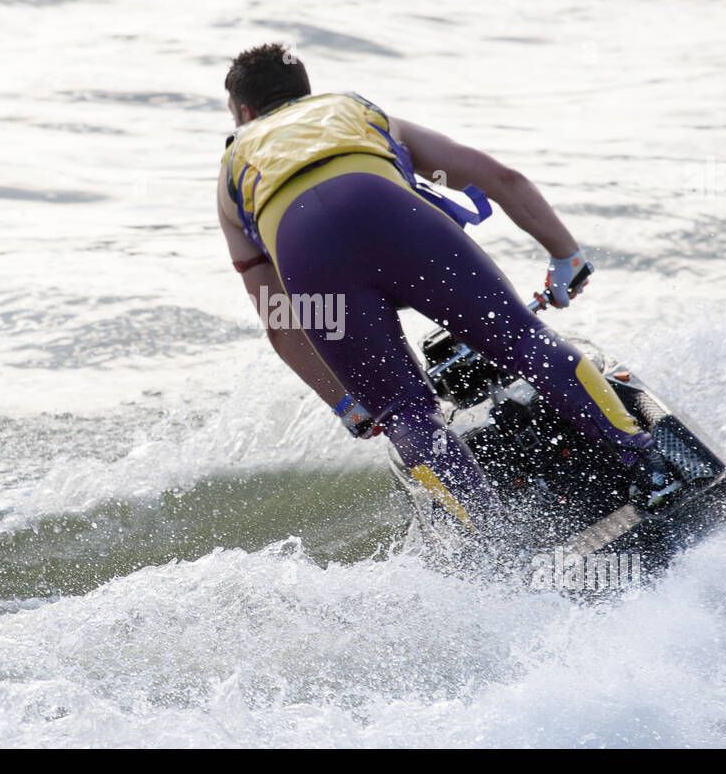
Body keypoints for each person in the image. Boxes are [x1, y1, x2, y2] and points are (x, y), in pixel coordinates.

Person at [215, 43, 674, 540]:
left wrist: (348, 405)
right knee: (523, 340)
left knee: (405, 413)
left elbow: (279, 322)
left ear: (245, 113)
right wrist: (567, 257)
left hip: (308, 251)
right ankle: (648, 465)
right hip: (391, 215)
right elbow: (499, 177)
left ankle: (494, 542)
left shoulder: (232, 174)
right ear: (304, 91)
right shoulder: (357, 112)